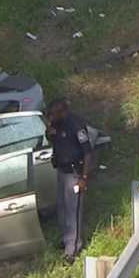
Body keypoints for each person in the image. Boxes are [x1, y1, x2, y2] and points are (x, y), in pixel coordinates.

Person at [45, 98, 95, 263]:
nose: (51, 118)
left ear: (62, 112)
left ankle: (72, 249)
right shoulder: (56, 125)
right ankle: (66, 238)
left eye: (53, 115)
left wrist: (84, 177)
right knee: (63, 207)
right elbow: (55, 141)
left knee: (74, 211)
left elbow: (87, 153)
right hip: (61, 170)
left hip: (75, 173)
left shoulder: (76, 125)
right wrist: (49, 133)